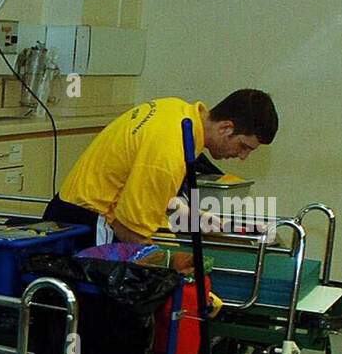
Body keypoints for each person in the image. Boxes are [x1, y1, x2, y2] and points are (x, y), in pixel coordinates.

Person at [42, 90, 278, 244]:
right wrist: (170, 267)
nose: (243, 156)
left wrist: (231, 227)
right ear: (226, 128)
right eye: (244, 146)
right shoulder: (170, 151)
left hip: (73, 211)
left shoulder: (177, 113)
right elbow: (130, 232)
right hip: (87, 226)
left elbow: (167, 204)